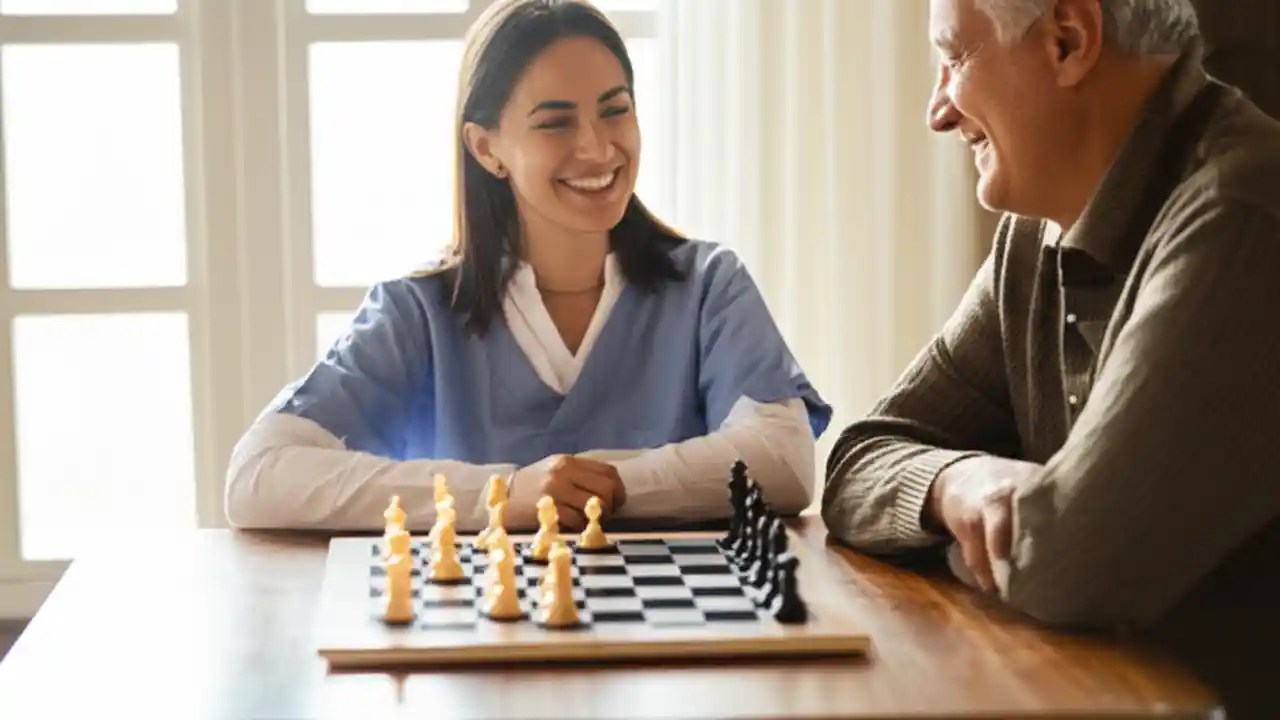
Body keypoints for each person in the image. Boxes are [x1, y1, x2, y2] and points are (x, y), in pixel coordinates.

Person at [822, 0, 1280, 715]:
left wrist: (1011, 527)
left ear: (1068, 40)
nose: (937, 111)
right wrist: (959, 485)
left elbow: (1068, 565)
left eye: (956, 58)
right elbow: (855, 463)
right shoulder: (1035, 234)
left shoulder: (1241, 211)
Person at [225, 0, 830, 534]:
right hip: (482, 638)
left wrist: (610, 488)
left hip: (678, 646)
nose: (597, 148)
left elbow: (783, 462)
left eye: (614, 111)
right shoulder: (418, 310)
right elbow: (260, 475)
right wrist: (504, 495)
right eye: (555, 122)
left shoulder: (708, 286)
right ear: (487, 149)